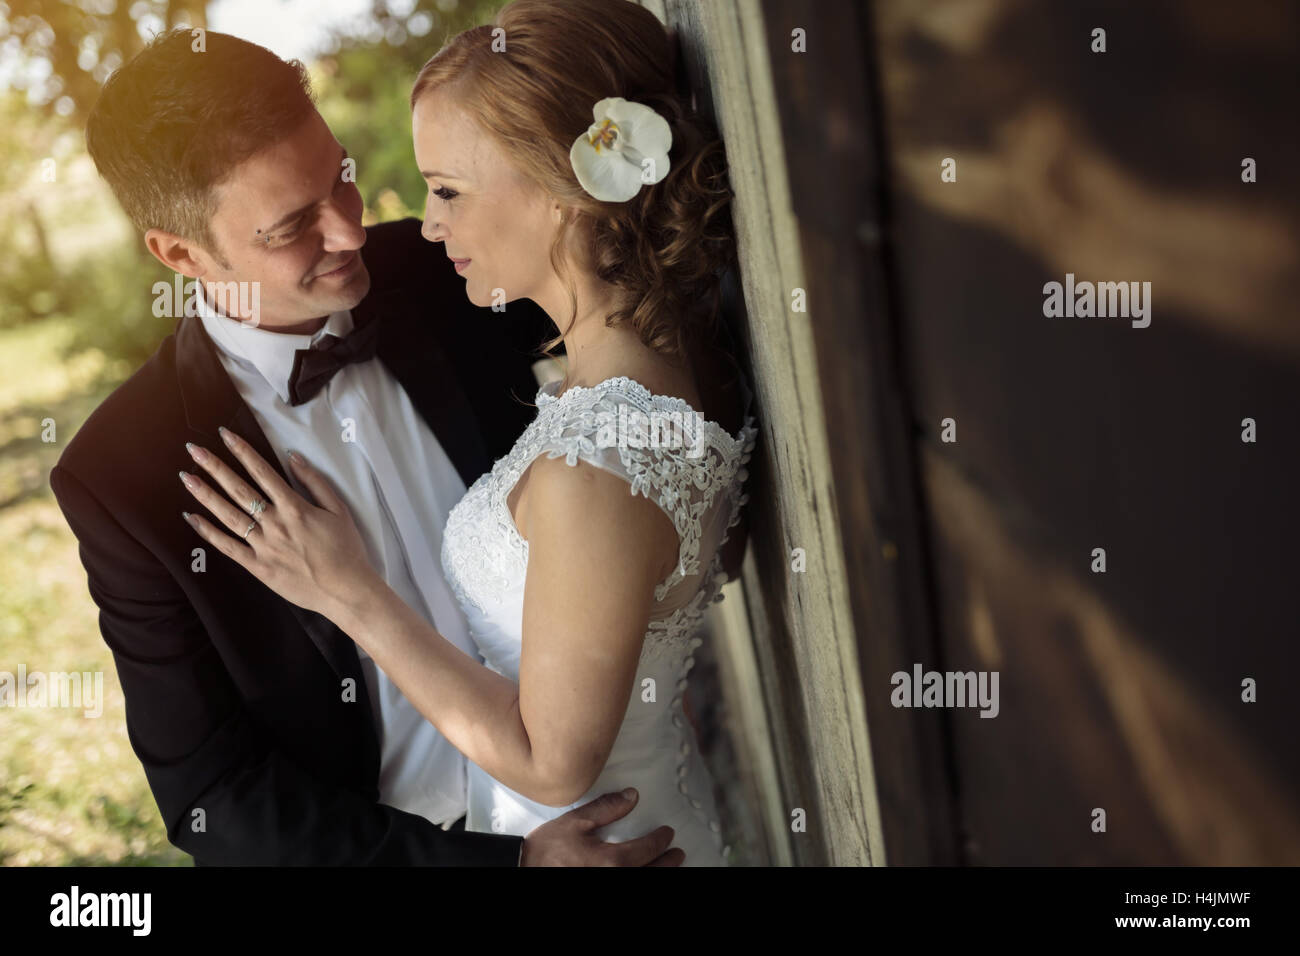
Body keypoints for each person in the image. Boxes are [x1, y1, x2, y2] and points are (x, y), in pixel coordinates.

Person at [52, 26, 680, 866]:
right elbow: (215, 796)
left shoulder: (448, 267)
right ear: (179, 253)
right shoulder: (123, 476)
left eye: (339, 181)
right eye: (291, 228)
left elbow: (637, 307)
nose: (351, 233)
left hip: (624, 800)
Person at [178, 0, 756, 866]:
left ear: (567, 189)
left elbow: (553, 764)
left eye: (448, 190)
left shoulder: (597, 461)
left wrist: (349, 593)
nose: (427, 224)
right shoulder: (655, 370)